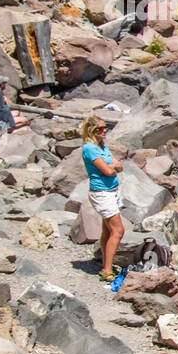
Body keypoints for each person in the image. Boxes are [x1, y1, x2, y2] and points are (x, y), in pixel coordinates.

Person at [80, 115, 124, 282]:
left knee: (108, 230)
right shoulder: (90, 148)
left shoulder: (102, 146)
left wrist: (111, 167)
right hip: (102, 193)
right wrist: (111, 168)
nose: (104, 131)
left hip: (112, 190)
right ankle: (106, 270)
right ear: (92, 130)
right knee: (118, 230)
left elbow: (118, 165)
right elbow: (108, 171)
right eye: (100, 129)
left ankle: (107, 264)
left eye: (105, 127)